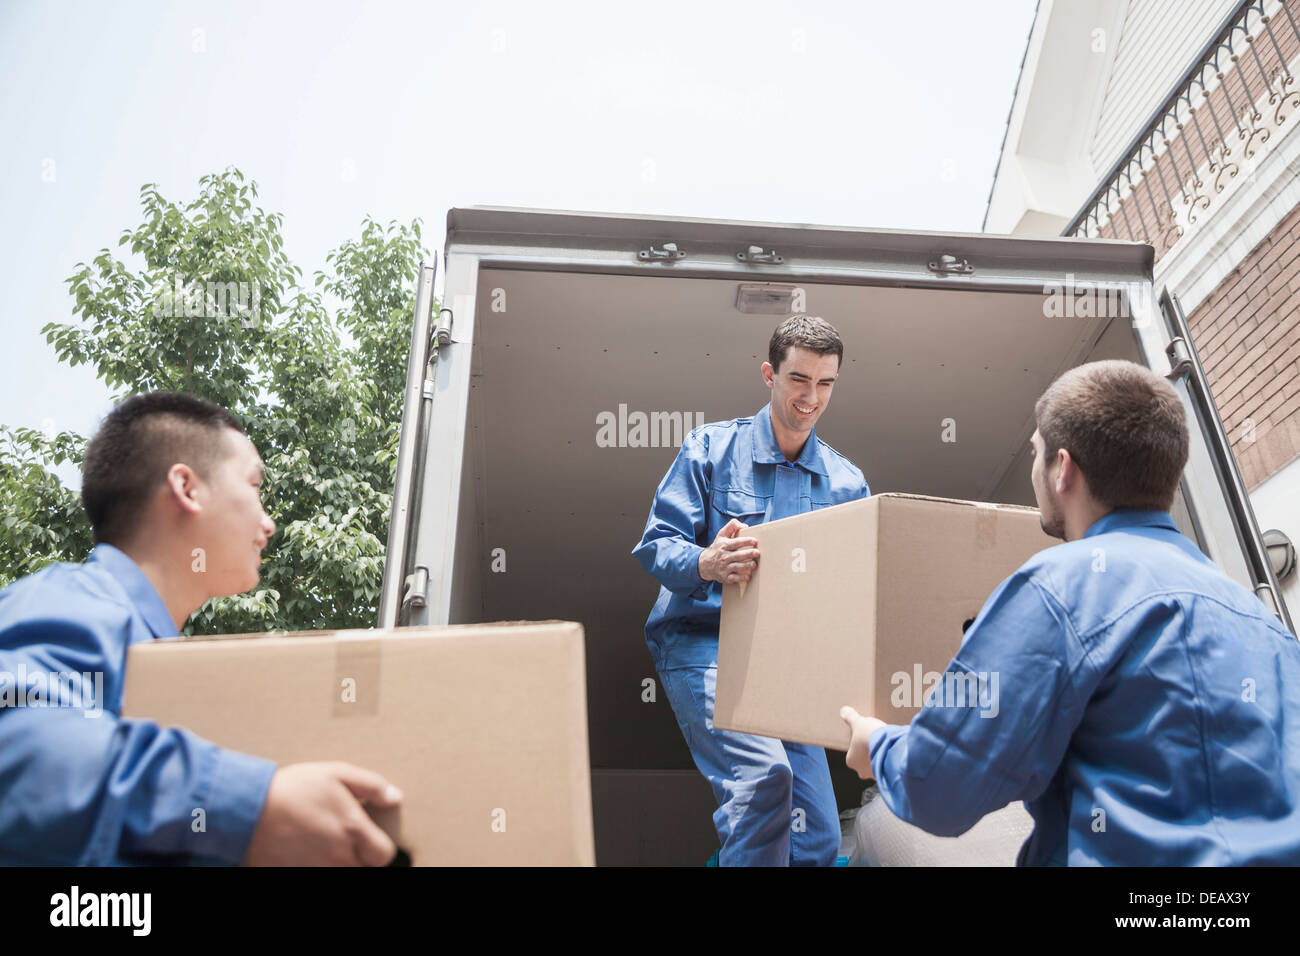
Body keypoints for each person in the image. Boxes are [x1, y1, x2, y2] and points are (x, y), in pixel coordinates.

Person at [842, 359, 1300, 865]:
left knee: (877, 830)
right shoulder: (1263, 623)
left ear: (1064, 470)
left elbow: (937, 789)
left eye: (1035, 455)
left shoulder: (1059, 587)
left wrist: (877, 746)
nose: (1033, 470)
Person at [0, 392, 402, 865]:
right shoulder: (68, 598)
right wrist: (255, 809)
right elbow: (21, 752)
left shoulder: (155, 657)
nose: (268, 522)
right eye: (255, 485)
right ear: (187, 488)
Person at [632, 315, 870, 866]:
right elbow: (655, 545)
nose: (811, 397)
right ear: (769, 374)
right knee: (765, 781)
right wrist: (707, 562)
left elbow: (855, 592)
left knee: (817, 839)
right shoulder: (710, 450)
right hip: (703, 644)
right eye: (798, 379)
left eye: (826, 383)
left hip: (789, 665)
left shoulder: (847, 484)